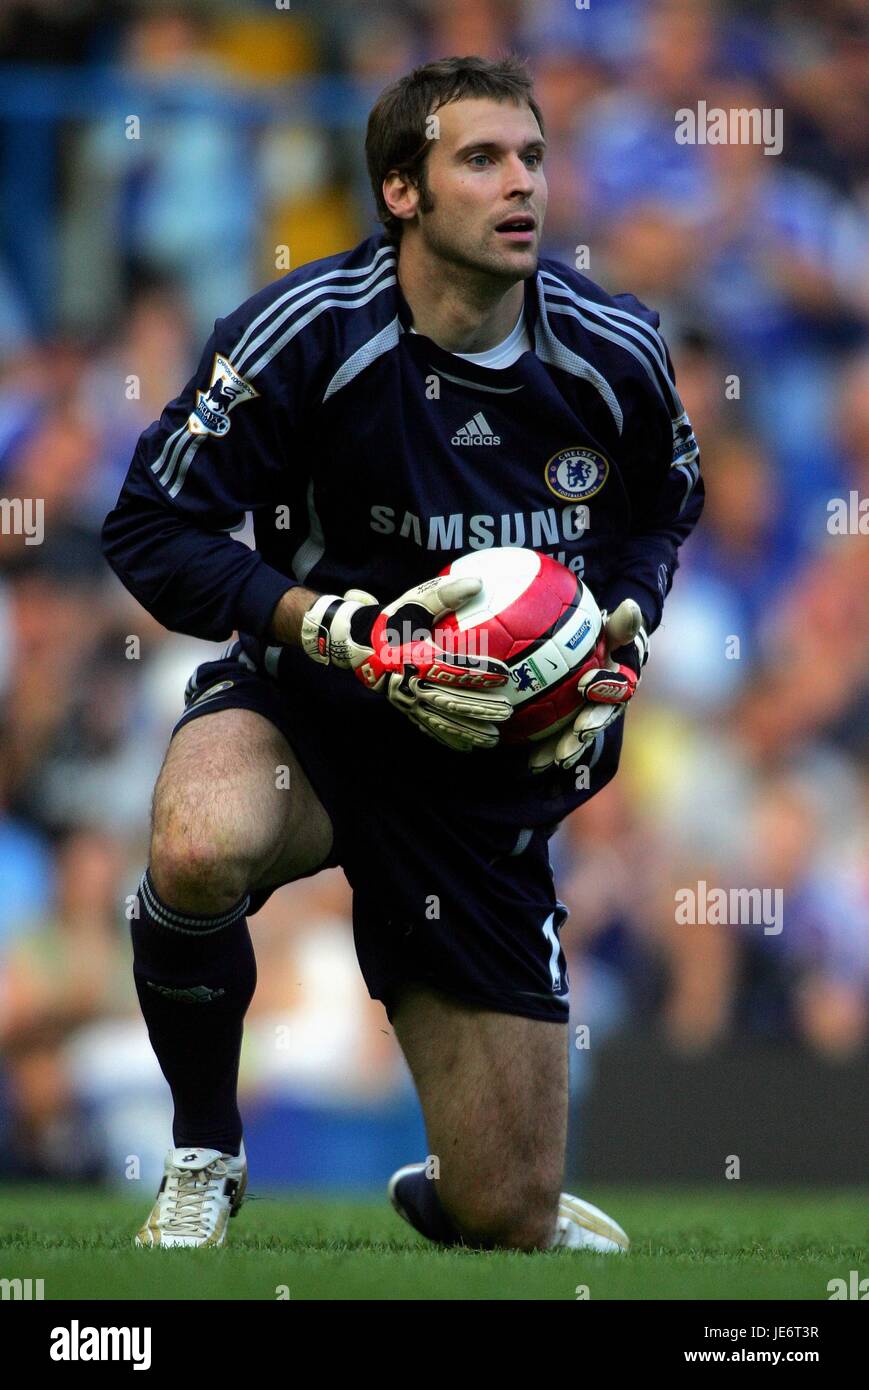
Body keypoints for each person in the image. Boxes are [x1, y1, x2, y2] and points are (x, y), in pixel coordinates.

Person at [102, 55, 703, 1251]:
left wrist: (622, 620)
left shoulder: (614, 349)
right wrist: (305, 619)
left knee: (504, 1219)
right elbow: (148, 526)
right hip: (313, 712)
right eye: (479, 159)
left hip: (483, 780)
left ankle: (483, 1183)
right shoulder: (302, 333)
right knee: (198, 837)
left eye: (530, 155)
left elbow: (662, 507)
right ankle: (204, 1155)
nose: (518, 182)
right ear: (400, 192)